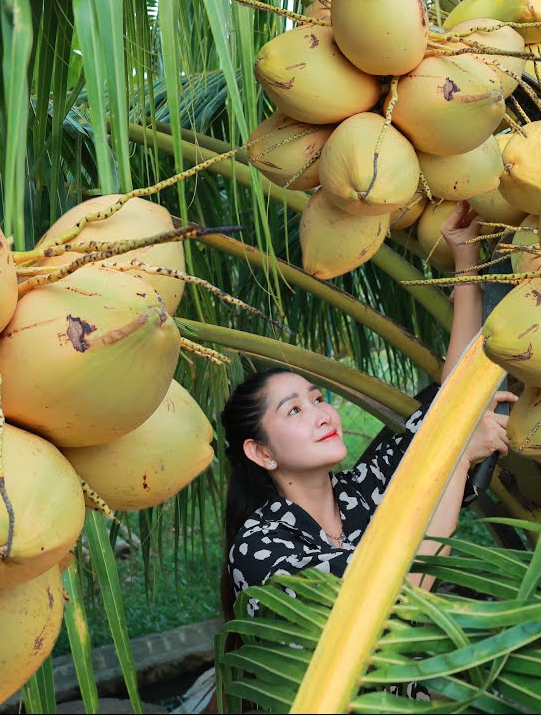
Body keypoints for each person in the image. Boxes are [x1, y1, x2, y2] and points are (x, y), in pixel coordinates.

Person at [219, 200, 517, 625]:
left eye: (319, 399)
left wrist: (466, 260)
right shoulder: (259, 546)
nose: (322, 414)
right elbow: (397, 596)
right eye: (294, 410)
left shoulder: (362, 490)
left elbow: (448, 411)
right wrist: (460, 459)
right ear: (261, 452)